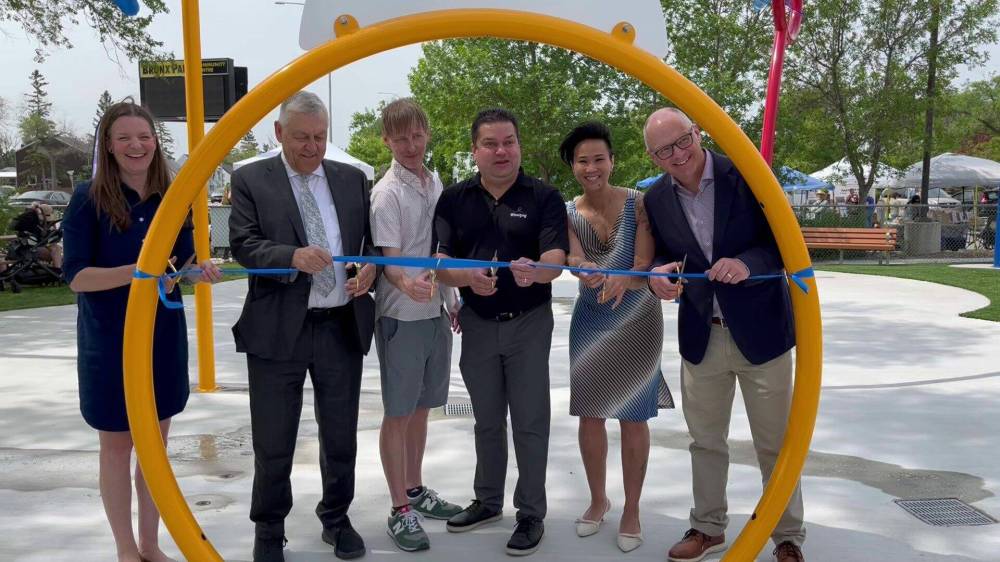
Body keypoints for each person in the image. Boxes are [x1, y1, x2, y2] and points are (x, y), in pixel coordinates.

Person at [60, 99, 223, 562]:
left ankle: (151, 545)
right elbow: (76, 276)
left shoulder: (175, 195)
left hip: (161, 337)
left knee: (155, 447)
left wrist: (198, 271)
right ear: (108, 147)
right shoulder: (87, 198)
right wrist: (138, 271)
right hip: (108, 341)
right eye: (125, 138)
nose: (137, 145)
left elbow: (180, 268)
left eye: (144, 137)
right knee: (116, 447)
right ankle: (126, 550)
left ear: (156, 142)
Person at [641, 108, 806, 562]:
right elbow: (666, 259)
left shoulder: (750, 173)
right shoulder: (655, 199)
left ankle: (786, 534)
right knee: (705, 441)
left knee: (775, 443)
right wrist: (659, 276)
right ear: (653, 157)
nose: (677, 154)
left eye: (682, 141)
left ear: (698, 132)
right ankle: (707, 527)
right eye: (663, 150)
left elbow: (784, 245)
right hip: (702, 335)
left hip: (762, 334)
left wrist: (747, 264)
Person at [229, 91, 378, 562]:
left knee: (341, 436)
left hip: (339, 327)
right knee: (273, 441)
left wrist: (369, 269)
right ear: (278, 134)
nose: (312, 147)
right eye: (302, 138)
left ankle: (336, 518)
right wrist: (290, 256)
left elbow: (369, 245)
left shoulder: (353, 179)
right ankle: (269, 531)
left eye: (319, 137)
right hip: (278, 331)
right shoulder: (251, 178)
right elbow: (244, 245)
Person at [432, 108, 568, 557]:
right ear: (474, 150)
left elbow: (555, 257)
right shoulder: (453, 199)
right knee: (487, 420)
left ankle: (531, 513)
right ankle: (488, 501)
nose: (501, 151)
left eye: (508, 141)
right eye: (490, 143)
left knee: (530, 422)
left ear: (519, 145)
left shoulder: (544, 196)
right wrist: (466, 279)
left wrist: (539, 271)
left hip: (529, 323)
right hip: (475, 325)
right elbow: (441, 264)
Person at [559, 122, 673, 554]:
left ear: (612, 160)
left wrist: (623, 280)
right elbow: (573, 256)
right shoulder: (568, 211)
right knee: (590, 414)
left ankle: (632, 509)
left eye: (599, 158)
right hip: (591, 320)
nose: (592, 167)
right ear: (573, 167)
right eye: (582, 160)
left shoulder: (638, 203)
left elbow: (643, 260)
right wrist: (581, 268)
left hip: (639, 318)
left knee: (633, 416)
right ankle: (597, 499)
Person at [369, 98, 463, 552]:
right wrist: (407, 285)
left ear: (427, 133)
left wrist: (451, 296)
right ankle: (398, 509)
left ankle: (415, 488)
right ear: (386, 140)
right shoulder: (387, 193)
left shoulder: (435, 181)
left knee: (424, 408)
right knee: (398, 413)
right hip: (401, 316)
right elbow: (390, 264)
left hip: (435, 314)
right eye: (400, 136)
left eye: (417, 134)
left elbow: (438, 249)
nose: (411, 144)